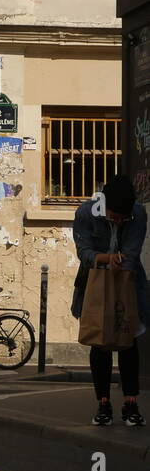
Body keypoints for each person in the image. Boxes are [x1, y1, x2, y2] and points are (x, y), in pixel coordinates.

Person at [72, 174, 148, 426]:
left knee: (129, 340)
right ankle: (103, 402)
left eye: (122, 218)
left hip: (128, 282)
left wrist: (120, 260)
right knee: (99, 340)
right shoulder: (85, 213)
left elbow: (132, 253)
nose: (118, 221)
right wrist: (106, 258)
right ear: (103, 205)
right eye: (114, 216)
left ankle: (131, 402)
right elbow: (83, 253)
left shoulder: (137, 214)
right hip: (94, 282)